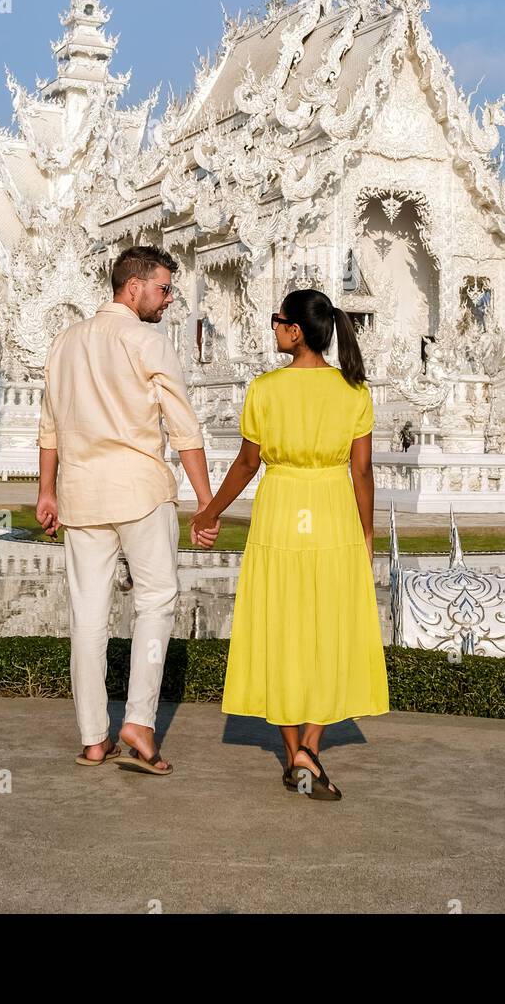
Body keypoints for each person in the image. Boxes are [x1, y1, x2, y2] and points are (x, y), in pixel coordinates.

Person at [192, 288, 389, 800]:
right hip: (332, 518)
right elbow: (362, 471)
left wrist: (209, 512)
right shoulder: (354, 392)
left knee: (280, 625)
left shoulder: (265, 389)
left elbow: (246, 464)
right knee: (328, 628)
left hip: (281, 513)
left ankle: (292, 752)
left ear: (295, 331)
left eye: (277, 319)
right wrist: (366, 534)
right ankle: (310, 748)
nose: (273, 327)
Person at [36, 246, 219, 774]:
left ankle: (95, 739)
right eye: (163, 289)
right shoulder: (147, 341)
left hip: (80, 494)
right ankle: (138, 720)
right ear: (133, 287)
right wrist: (205, 502)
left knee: (88, 618)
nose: (168, 300)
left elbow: (49, 429)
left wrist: (46, 492)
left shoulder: (64, 344)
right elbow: (184, 428)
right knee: (156, 602)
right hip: (139, 490)